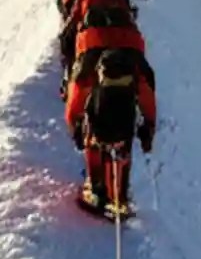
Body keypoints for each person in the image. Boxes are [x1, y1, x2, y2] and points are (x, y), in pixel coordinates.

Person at [66, 47, 156, 212]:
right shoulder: (136, 65)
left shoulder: (88, 63)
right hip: (124, 126)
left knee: (93, 142)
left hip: (99, 125)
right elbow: (148, 101)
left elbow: (75, 104)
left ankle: (96, 189)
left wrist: (75, 130)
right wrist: (148, 131)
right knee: (123, 148)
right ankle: (120, 197)